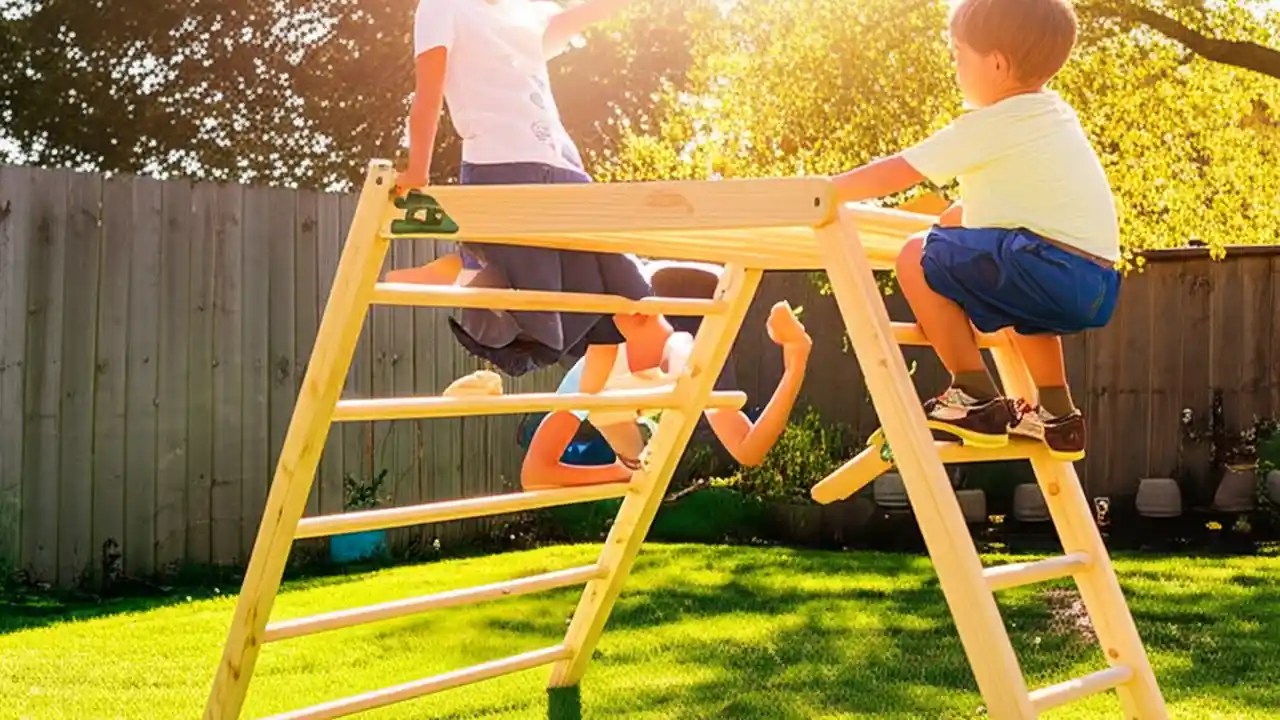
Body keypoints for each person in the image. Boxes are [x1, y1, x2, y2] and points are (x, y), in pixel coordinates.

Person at [826, 0, 1120, 461]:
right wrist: (947, 223)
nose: (955, 66)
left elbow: (900, 170)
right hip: (1094, 283)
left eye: (959, 55)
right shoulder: (1053, 118)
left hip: (1042, 262)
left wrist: (826, 191)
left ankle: (973, 394)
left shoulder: (988, 126)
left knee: (913, 255)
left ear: (997, 63)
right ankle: (1059, 416)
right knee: (1020, 307)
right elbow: (992, 211)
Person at [392, 0, 674, 398]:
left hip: (564, 171)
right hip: (505, 166)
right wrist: (417, 170)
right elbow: (428, 94)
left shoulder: (522, 10)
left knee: (621, 291)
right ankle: (466, 268)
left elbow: (576, 18)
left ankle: (465, 267)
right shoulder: (443, 7)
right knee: (545, 310)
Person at [519, 261, 813, 489]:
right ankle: (634, 448)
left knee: (678, 358)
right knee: (605, 395)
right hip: (623, 421)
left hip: (662, 379)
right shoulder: (594, 370)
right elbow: (535, 474)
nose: (632, 306)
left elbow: (749, 450)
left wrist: (795, 364)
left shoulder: (683, 350)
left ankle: (637, 445)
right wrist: (622, 472)